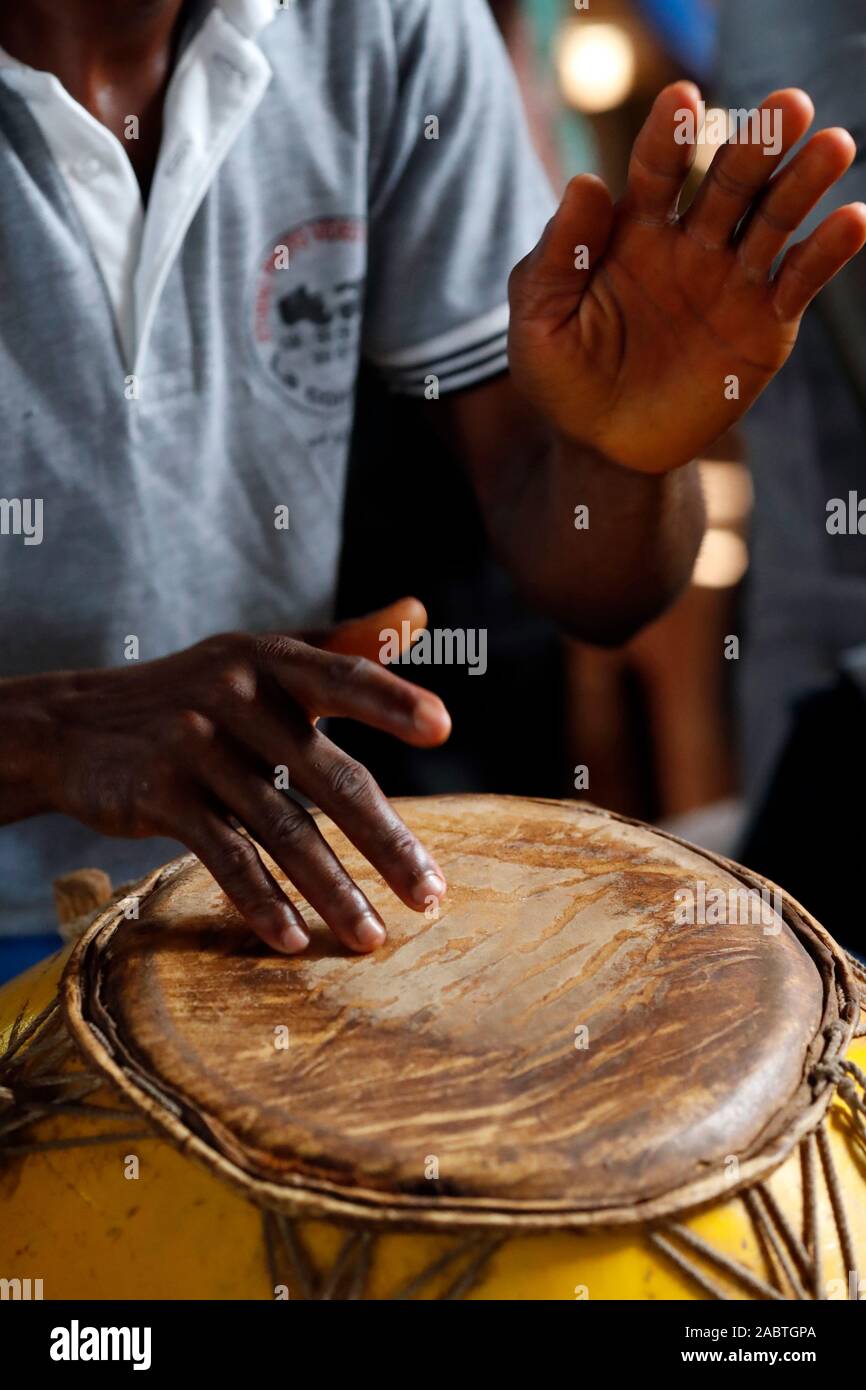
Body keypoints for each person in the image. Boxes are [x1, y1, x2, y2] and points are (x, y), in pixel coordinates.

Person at [0, 0, 862, 959]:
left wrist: (619, 453)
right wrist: (46, 733)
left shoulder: (390, 22)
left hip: (252, 916)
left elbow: (590, 578)